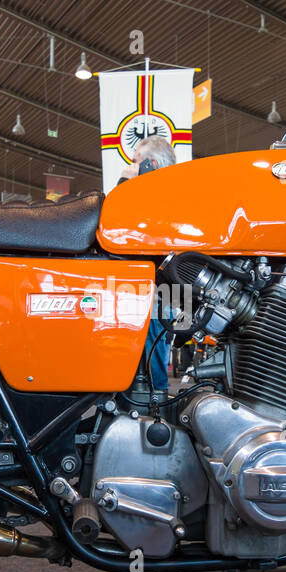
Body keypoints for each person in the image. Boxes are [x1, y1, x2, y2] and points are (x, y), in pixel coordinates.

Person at [115, 136, 179, 390]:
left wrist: (123, 182)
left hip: (160, 289)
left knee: (150, 361)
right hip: (167, 289)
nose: (131, 166)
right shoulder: (170, 193)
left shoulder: (156, 196)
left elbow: (115, 222)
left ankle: (154, 412)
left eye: (136, 161)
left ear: (150, 164)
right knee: (151, 357)